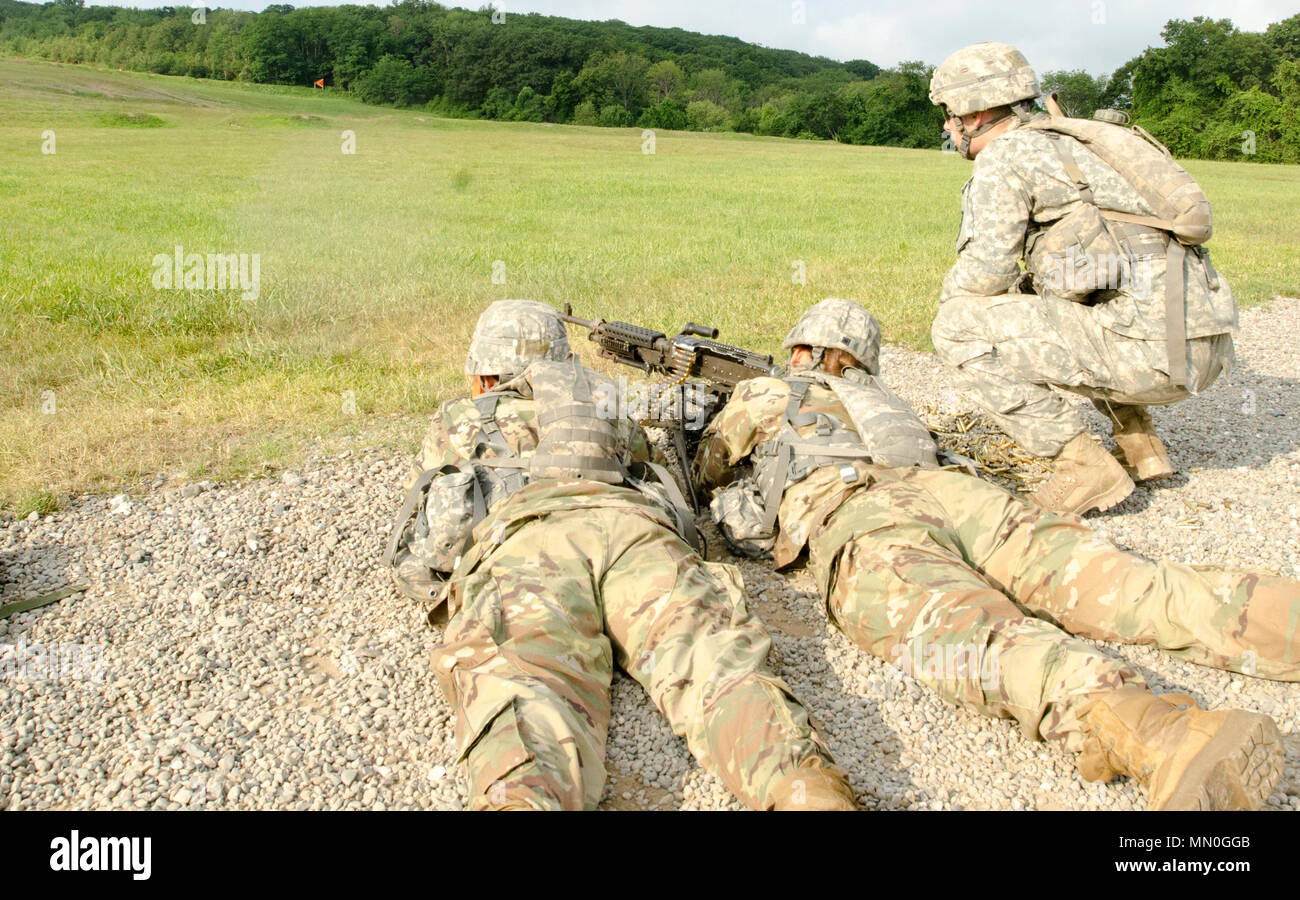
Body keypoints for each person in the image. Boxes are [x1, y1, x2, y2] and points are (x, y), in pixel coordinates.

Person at [692, 298, 1292, 811]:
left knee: (975, 635)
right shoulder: (887, 405)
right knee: (1130, 584)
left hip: (864, 516)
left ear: (810, 352)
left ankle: (1160, 735)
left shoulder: (769, 389)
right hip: (965, 497)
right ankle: (1278, 618)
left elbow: (709, 466)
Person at [387, 299, 856, 811]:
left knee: (524, 691)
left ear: (482, 378)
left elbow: (434, 524)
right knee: (720, 662)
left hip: (530, 543)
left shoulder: (459, 417)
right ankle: (805, 793)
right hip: (635, 533)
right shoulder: (606, 403)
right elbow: (650, 466)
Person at [926, 42, 1238, 516]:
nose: (948, 126)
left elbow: (985, 275)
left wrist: (951, 301)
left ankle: (1081, 468)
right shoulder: (1079, 139)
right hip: (1205, 345)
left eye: (951, 113)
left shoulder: (1006, 156)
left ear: (977, 111)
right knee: (1068, 301)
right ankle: (1141, 448)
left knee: (957, 325)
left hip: (1152, 356)